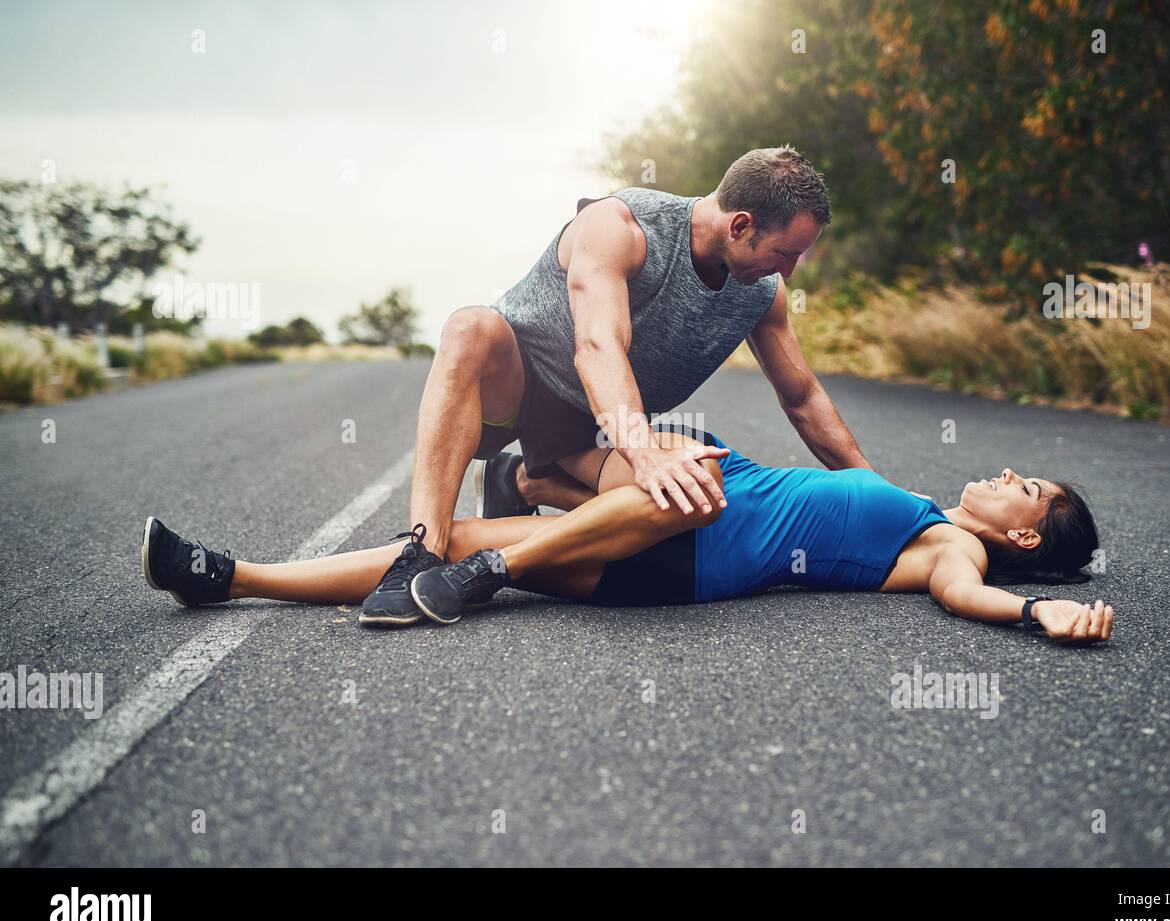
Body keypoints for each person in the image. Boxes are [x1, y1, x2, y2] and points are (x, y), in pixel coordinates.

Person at [365, 145, 877, 628]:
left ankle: (524, 481)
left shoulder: (763, 293)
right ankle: (421, 555)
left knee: (680, 500)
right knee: (470, 326)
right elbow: (598, 346)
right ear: (740, 224)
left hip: (592, 426)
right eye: (786, 252)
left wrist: (878, 495)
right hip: (514, 390)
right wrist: (644, 452)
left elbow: (802, 396)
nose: (789, 269)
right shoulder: (622, 226)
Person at [141, 427, 1113, 646]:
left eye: (1021, 487)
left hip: (694, 544)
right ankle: (225, 577)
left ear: (1025, 538)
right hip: (698, 493)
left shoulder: (957, 552)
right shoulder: (931, 512)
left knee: (478, 542)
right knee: (450, 533)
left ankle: (492, 560)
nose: (999, 475)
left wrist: (1040, 613)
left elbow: (961, 597)